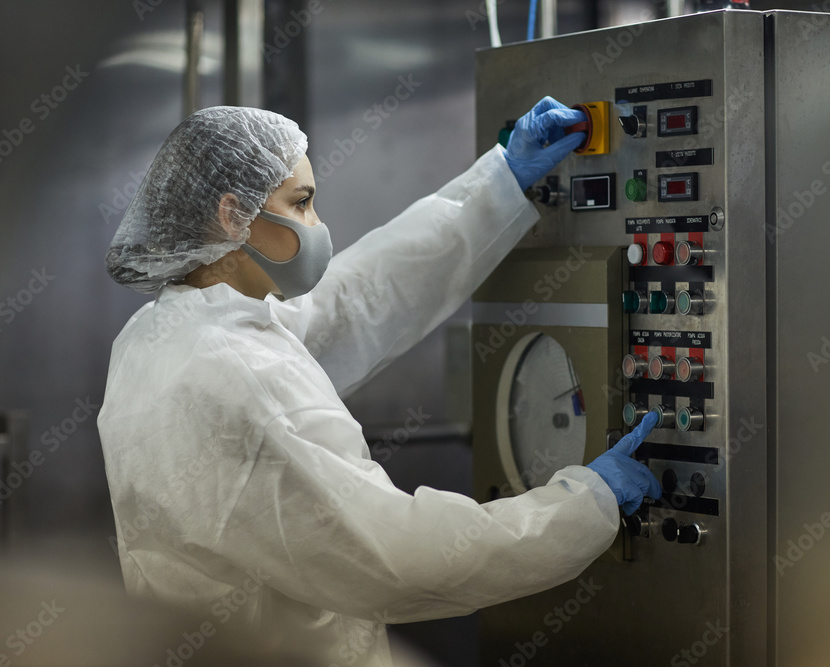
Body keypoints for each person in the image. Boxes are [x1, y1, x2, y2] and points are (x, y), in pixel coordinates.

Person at [98, 101, 661, 666]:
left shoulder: (160, 335)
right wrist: (586, 504)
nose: (317, 225)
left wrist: (500, 181)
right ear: (231, 214)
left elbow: (359, 300)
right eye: (302, 203)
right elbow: (400, 558)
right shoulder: (242, 375)